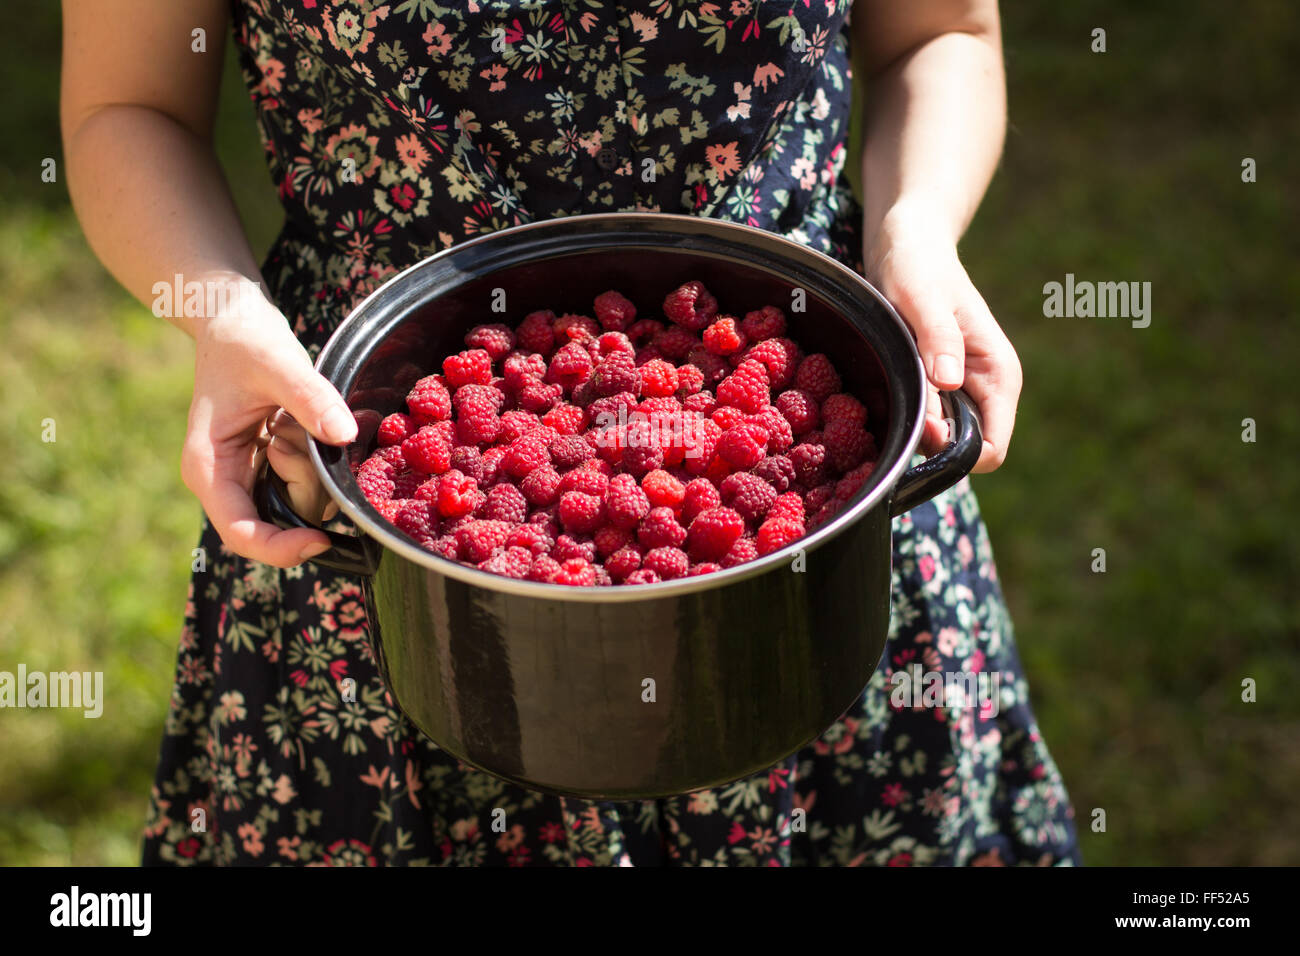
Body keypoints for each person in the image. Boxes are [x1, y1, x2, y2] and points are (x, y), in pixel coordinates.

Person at [61, 0, 1080, 865]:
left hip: (817, 497)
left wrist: (918, 232)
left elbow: (937, 32)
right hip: (361, 492)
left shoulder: (764, 449)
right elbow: (128, 108)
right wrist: (221, 314)